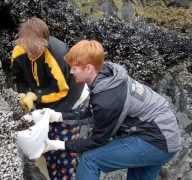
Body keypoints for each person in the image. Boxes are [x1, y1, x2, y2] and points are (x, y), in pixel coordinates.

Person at [41, 40, 182, 180]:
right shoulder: (107, 74)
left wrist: (60, 144)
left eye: (74, 68)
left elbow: (97, 140)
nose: (71, 72)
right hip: (163, 132)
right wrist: (58, 116)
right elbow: (93, 112)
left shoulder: (106, 99)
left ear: (89, 68)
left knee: (90, 160)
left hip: (157, 140)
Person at [11, 17, 84, 179]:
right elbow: (19, 78)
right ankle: (53, 172)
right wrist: (23, 93)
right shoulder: (19, 51)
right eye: (27, 48)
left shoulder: (57, 54)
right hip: (45, 96)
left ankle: (68, 175)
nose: (31, 54)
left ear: (44, 43)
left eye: (35, 50)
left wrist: (36, 96)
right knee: (47, 143)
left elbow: (61, 90)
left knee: (64, 148)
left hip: (70, 99)